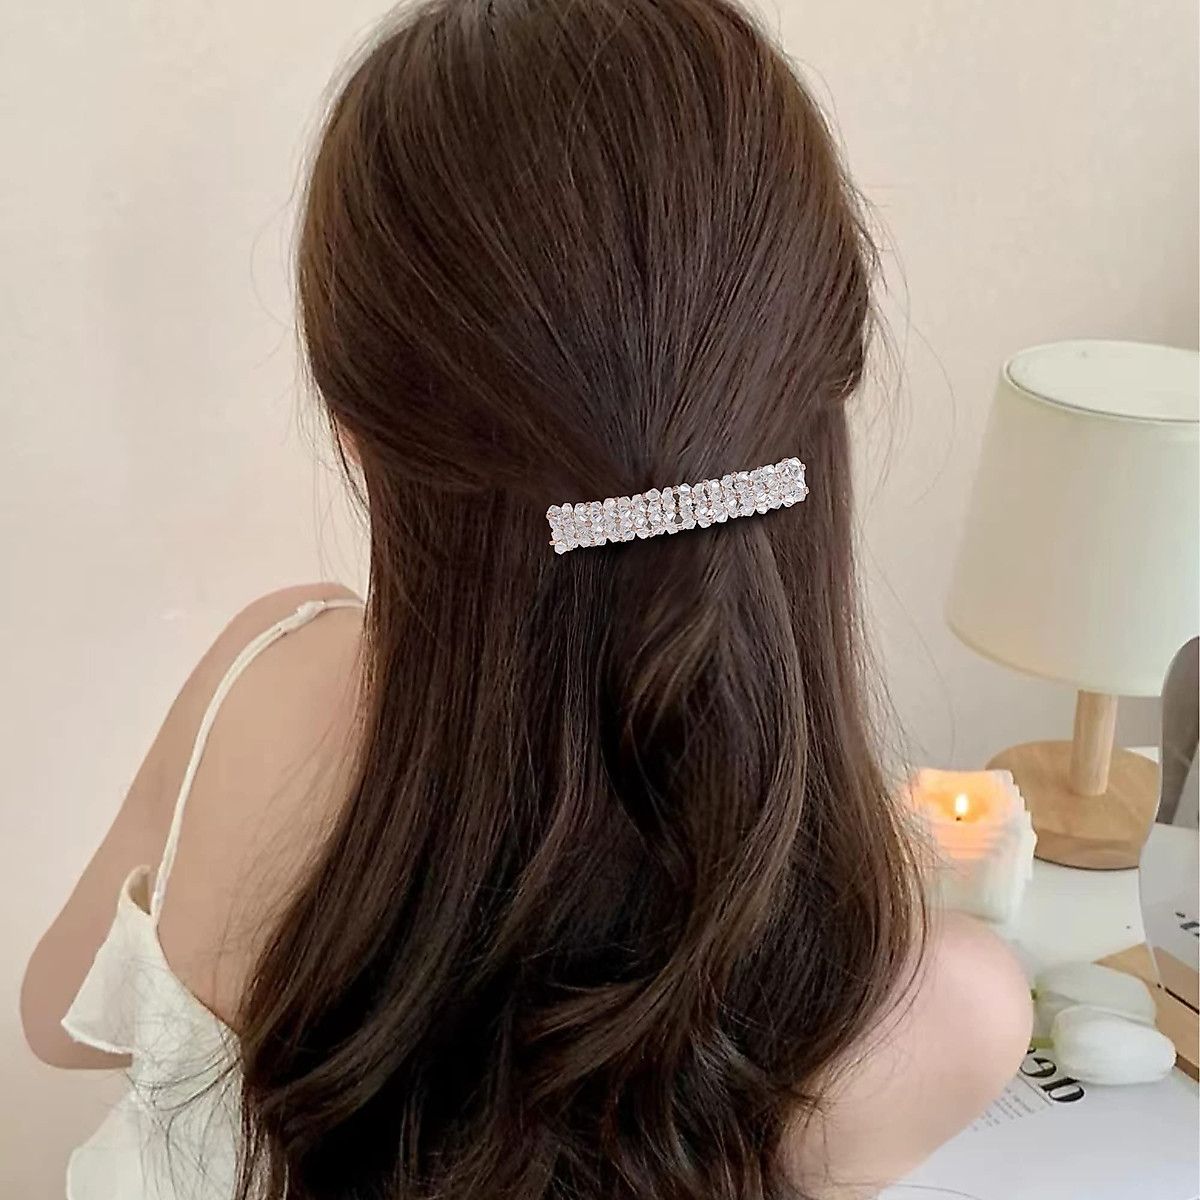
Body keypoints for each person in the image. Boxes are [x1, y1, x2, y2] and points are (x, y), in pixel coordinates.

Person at [21, 0, 1032, 1196]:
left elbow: (54, 1017)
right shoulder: (943, 1009)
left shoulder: (262, 682)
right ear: (821, 394)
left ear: (355, 434)